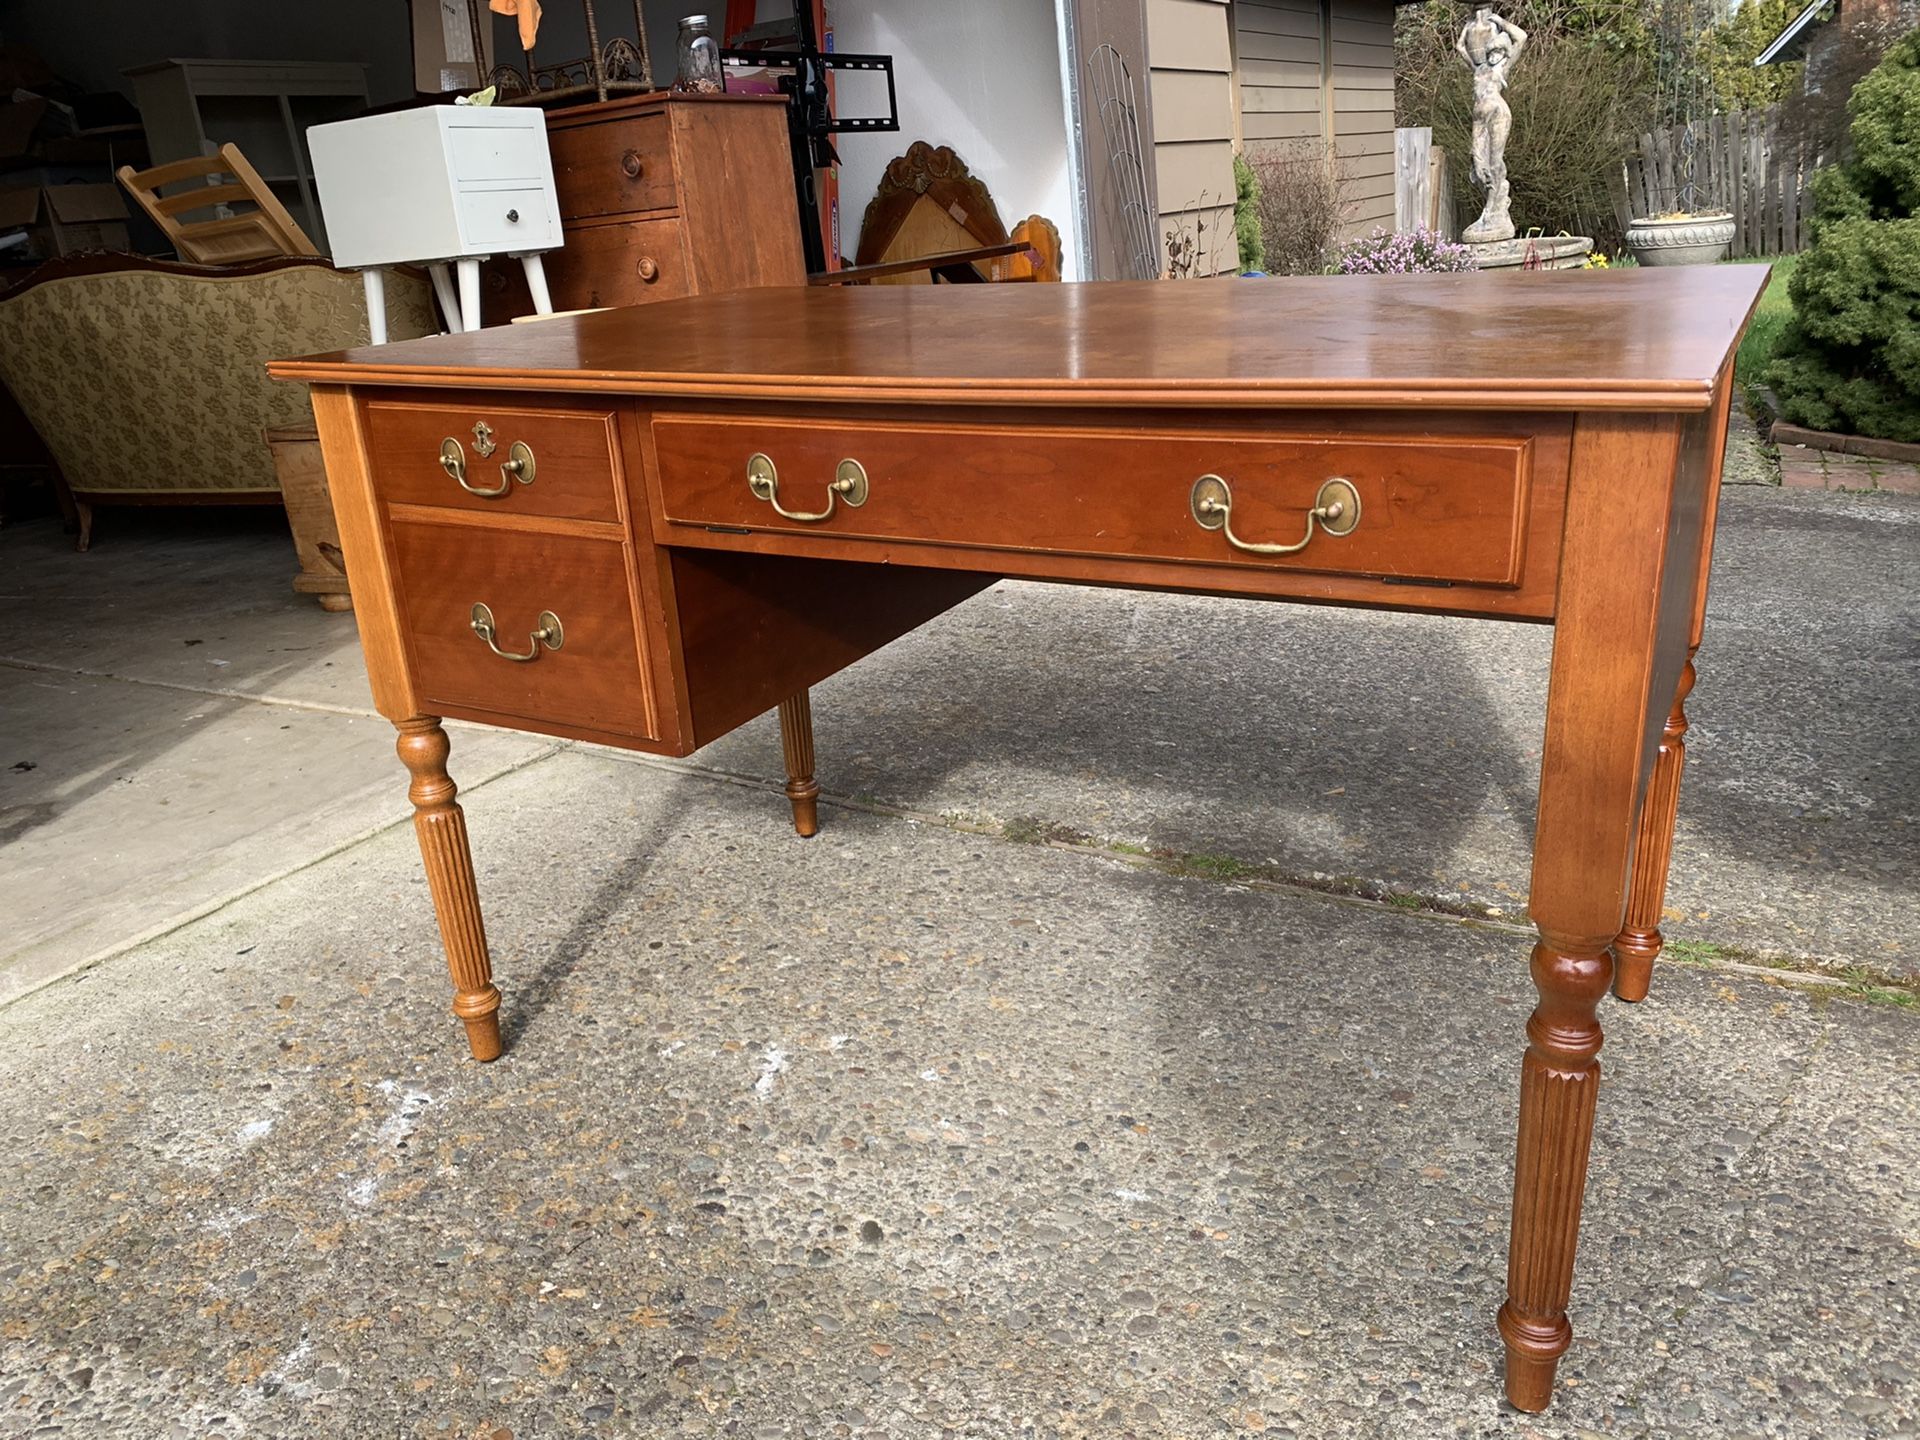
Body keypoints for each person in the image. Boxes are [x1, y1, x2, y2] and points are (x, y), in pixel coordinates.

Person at [1455, 7, 1529, 243]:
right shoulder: (1479, 70)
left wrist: (1500, 21)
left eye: (1499, 51)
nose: (1494, 54)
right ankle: (1493, 206)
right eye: (1491, 50)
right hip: (1479, 118)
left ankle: (1494, 212)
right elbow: (1460, 49)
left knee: (1495, 163)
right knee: (1478, 167)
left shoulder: (1502, 68)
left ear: (1504, 54)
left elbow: (1522, 37)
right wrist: (1467, 28)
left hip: (1497, 113)